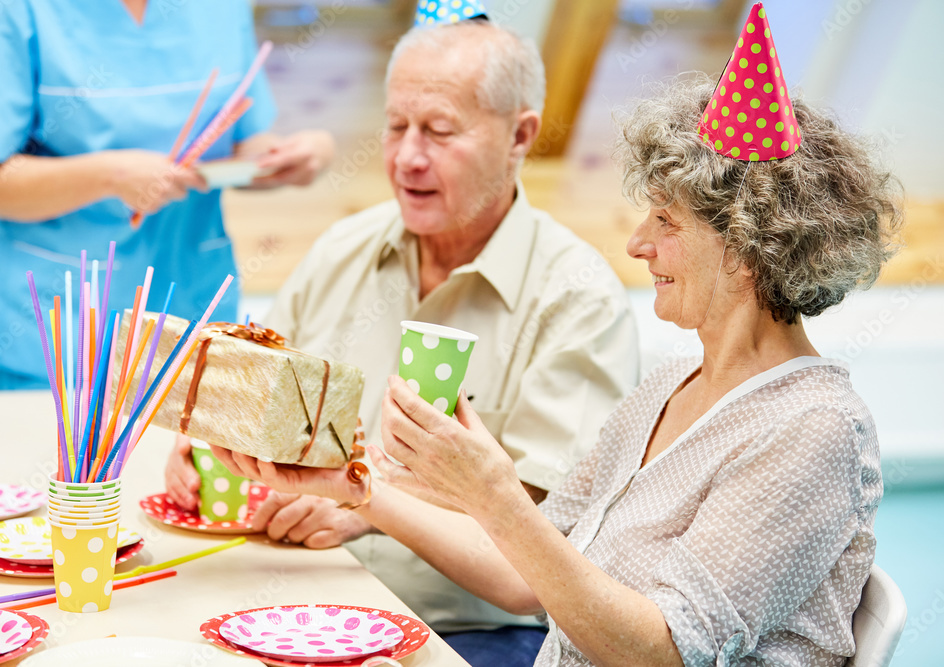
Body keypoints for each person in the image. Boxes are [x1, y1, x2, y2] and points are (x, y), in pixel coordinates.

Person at [210, 70, 904, 666]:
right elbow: (528, 578)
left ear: (748, 246)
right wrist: (354, 486)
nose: (636, 244)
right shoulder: (671, 385)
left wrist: (495, 495)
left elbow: (660, 652)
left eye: (665, 221)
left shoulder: (812, 431)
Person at [166, 20, 639, 667]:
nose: (408, 157)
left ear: (520, 136)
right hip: (301, 603)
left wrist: (368, 503)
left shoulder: (578, 298)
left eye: (440, 131)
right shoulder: (343, 249)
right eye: (395, 126)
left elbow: (543, 550)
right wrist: (202, 442)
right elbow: (257, 400)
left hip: (475, 634)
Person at [0, 0, 335, 391]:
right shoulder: (17, 8)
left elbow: (242, 144)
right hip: (63, 328)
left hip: (191, 309)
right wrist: (109, 176)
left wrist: (286, 159)